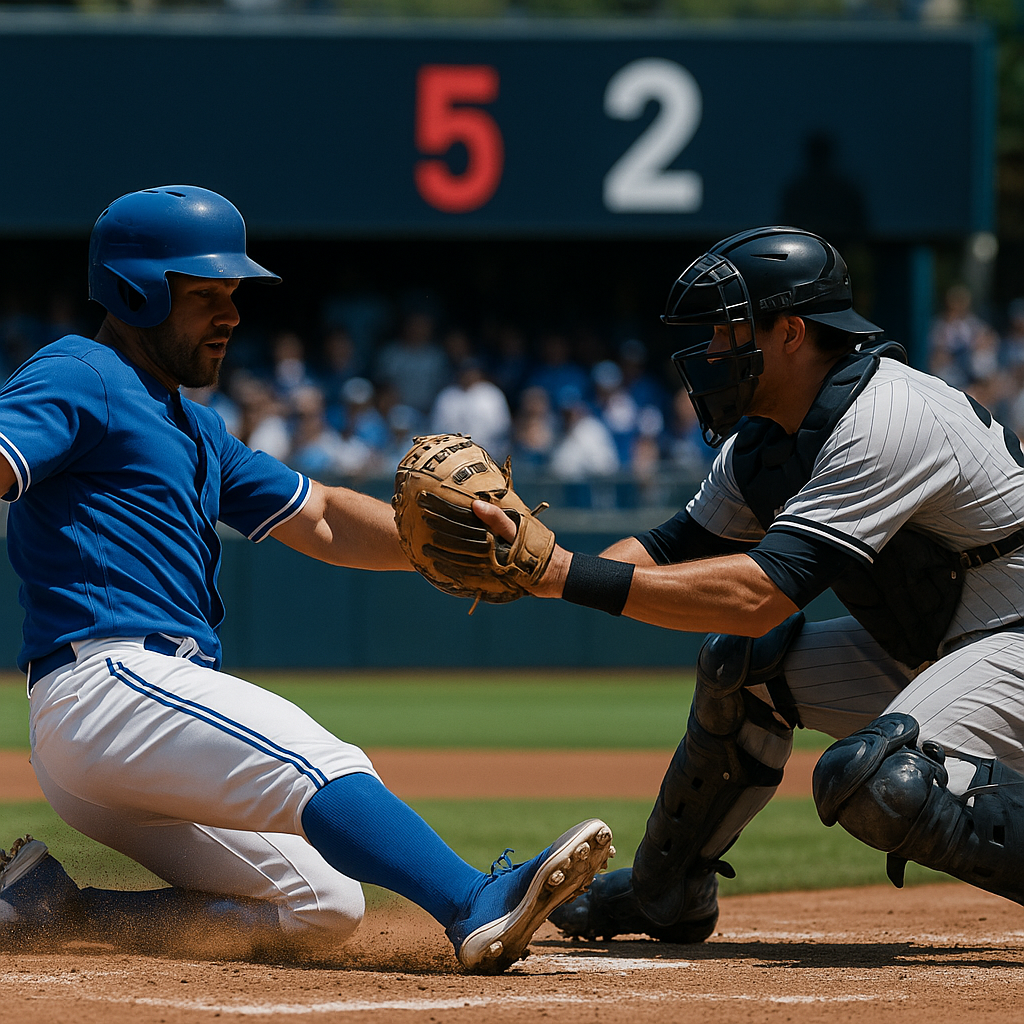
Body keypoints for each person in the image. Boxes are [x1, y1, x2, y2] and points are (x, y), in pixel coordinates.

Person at [0, 185, 613, 972]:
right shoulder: (82, 371)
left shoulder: (194, 427)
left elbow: (319, 515)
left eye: (235, 295)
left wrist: (461, 547)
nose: (231, 315)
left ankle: (59, 908)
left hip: (123, 737)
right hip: (107, 683)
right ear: (135, 291)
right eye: (206, 295)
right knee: (317, 759)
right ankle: (472, 902)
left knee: (323, 905)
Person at [467, 225, 1024, 942]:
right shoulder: (769, 439)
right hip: (950, 643)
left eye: (730, 331)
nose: (712, 352)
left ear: (791, 332)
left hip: (1011, 639)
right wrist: (534, 563)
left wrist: (564, 574)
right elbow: (670, 550)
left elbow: (764, 592)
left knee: (881, 780)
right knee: (742, 666)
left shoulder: (886, 416)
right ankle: (666, 892)